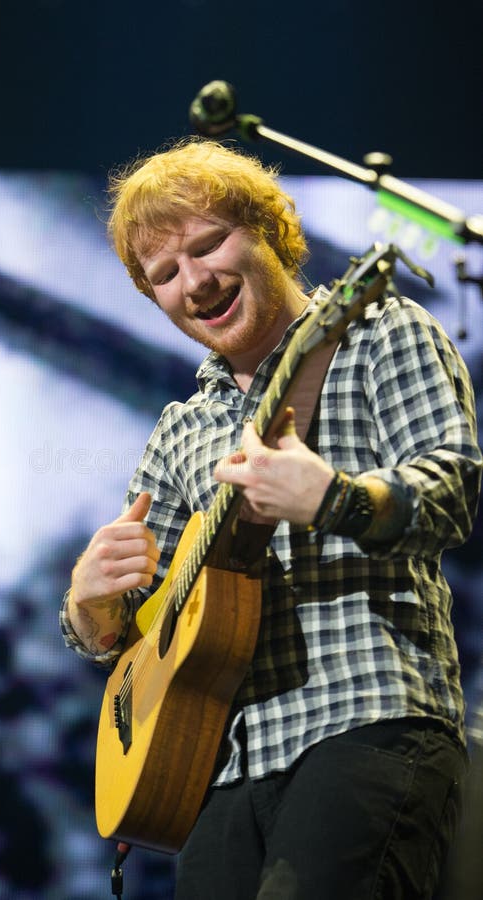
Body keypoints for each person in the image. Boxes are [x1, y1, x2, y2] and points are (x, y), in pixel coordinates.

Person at [60, 138, 482, 899]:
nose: (195, 281)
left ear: (269, 230)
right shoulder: (180, 428)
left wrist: (334, 499)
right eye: (165, 274)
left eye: (208, 244)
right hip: (217, 768)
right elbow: (133, 623)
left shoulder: (381, 332)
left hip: (366, 721)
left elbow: (453, 490)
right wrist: (89, 606)